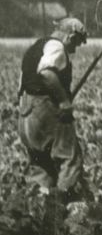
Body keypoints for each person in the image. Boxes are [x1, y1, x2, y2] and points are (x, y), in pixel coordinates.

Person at [16, 17, 90, 195]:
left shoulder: (36, 46)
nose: (74, 49)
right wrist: (64, 101)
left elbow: (22, 81)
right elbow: (46, 72)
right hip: (46, 107)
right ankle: (62, 207)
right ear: (71, 36)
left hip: (26, 111)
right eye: (76, 44)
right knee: (69, 159)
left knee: (40, 163)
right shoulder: (56, 46)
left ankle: (39, 208)